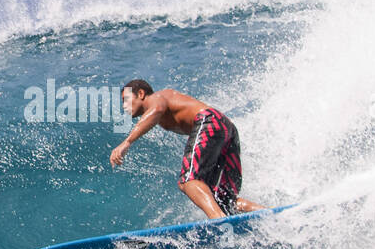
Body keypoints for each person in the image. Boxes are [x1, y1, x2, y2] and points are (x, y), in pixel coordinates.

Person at [110, 79, 266, 219]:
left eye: (126, 100)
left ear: (141, 93)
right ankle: (268, 214)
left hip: (210, 121)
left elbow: (156, 110)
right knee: (223, 200)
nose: (124, 106)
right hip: (226, 128)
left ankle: (217, 219)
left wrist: (127, 142)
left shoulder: (158, 98)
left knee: (188, 181)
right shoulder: (160, 111)